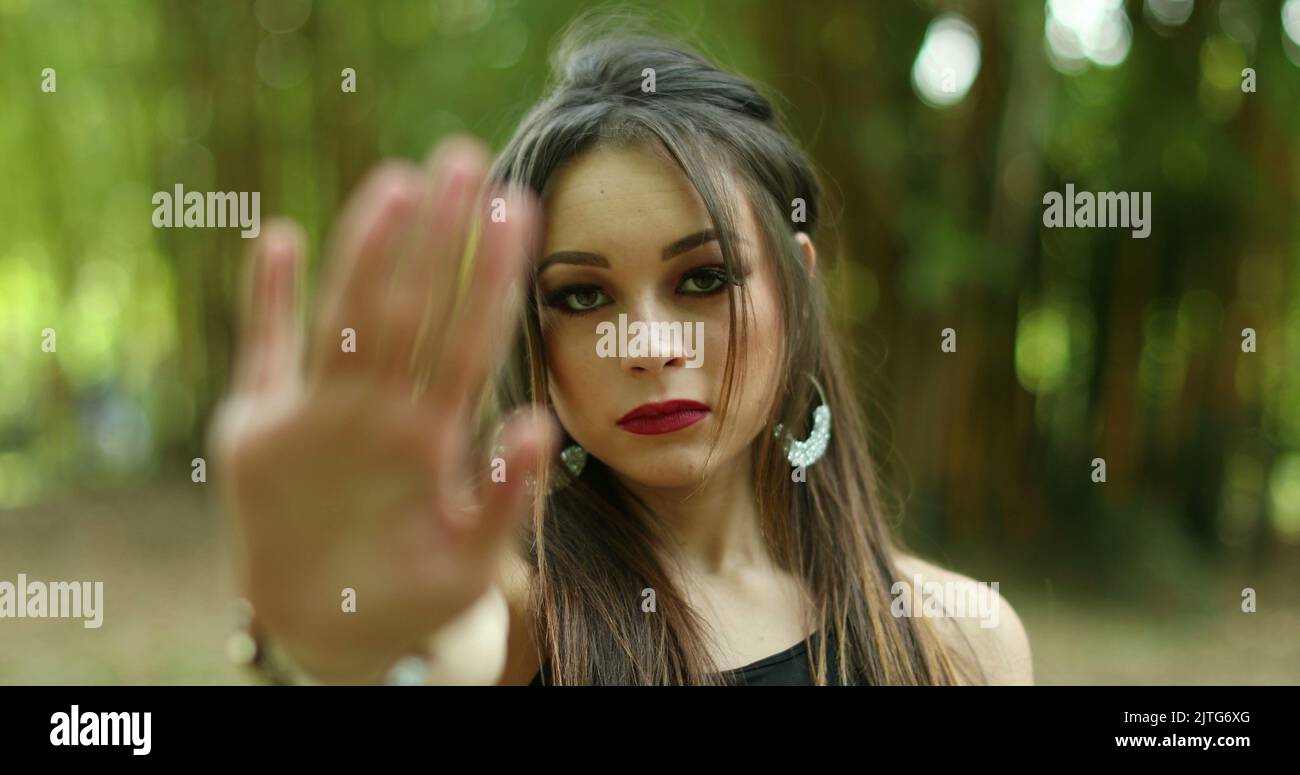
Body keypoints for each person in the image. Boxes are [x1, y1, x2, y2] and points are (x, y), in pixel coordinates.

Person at [210, 18, 1033, 686]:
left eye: (704, 277)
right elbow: (429, 648)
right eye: (581, 295)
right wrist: (333, 642)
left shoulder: (960, 639)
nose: (646, 344)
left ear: (800, 288)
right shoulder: (518, 619)